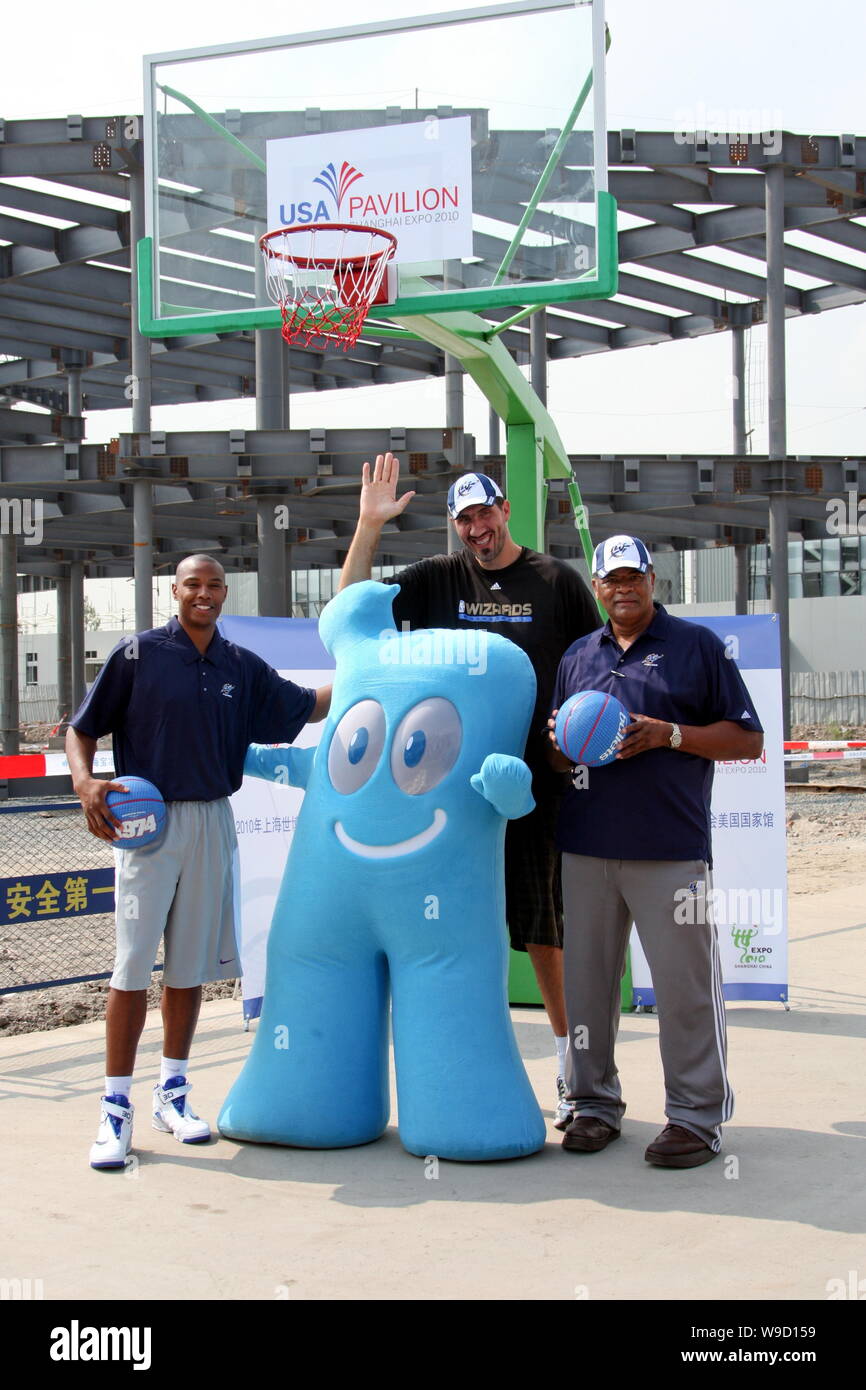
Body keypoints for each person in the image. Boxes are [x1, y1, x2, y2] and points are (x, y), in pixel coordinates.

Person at [338, 453, 599, 1124]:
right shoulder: (437, 580)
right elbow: (352, 611)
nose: (477, 530)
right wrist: (369, 525)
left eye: (485, 513)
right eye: (464, 521)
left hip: (538, 785)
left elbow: (596, 668)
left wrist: (580, 741)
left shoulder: (556, 581)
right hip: (448, 792)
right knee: (449, 924)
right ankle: (461, 1074)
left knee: (545, 928)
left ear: (505, 511)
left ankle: (576, 1066)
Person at [67, 554, 331, 1169]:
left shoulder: (240, 665)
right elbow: (82, 728)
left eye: (215, 586)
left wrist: (368, 674)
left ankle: (173, 1093)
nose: (204, 594)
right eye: (193, 584)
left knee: (188, 970)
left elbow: (308, 706)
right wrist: (84, 783)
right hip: (147, 825)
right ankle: (113, 1110)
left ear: (225, 593)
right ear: (175, 590)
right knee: (132, 969)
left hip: (214, 817)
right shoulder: (137, 655)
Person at [548, 535, 764, 1167]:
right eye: (610, 580)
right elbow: (559, 754)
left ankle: (696, 1118)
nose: (622, 589)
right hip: (586, 847)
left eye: (632, 577)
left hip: (669, 848)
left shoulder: (695, 646)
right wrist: (563, 742)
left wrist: (668, 735)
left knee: (684, 988)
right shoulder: (578, 655)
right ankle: (592, 1104)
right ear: (597, 587)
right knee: (587, 989)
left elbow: (746, 740)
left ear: (651, 580)